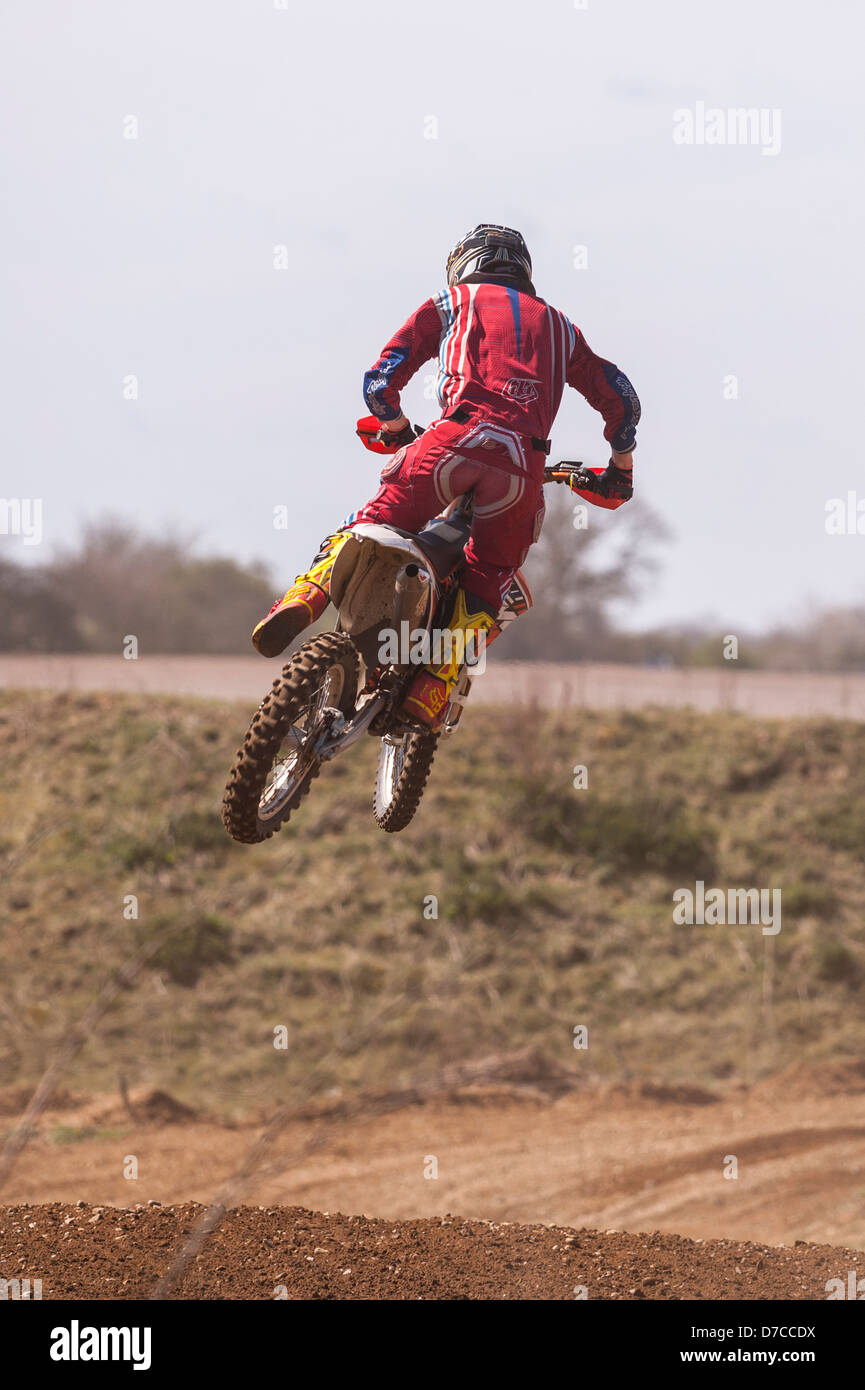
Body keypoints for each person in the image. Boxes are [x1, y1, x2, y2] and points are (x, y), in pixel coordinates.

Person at [252, 224, 640, 729]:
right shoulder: (561, 328)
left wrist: (394, 425)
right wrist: (618, 470)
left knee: (372, 521)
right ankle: (435, 685)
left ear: (464, 263)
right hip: (522, 467)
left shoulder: (452, 301)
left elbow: (380, 379)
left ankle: (305, 598)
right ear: (523, 270)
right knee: (491, 575)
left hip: (451, 442)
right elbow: (622, 398)